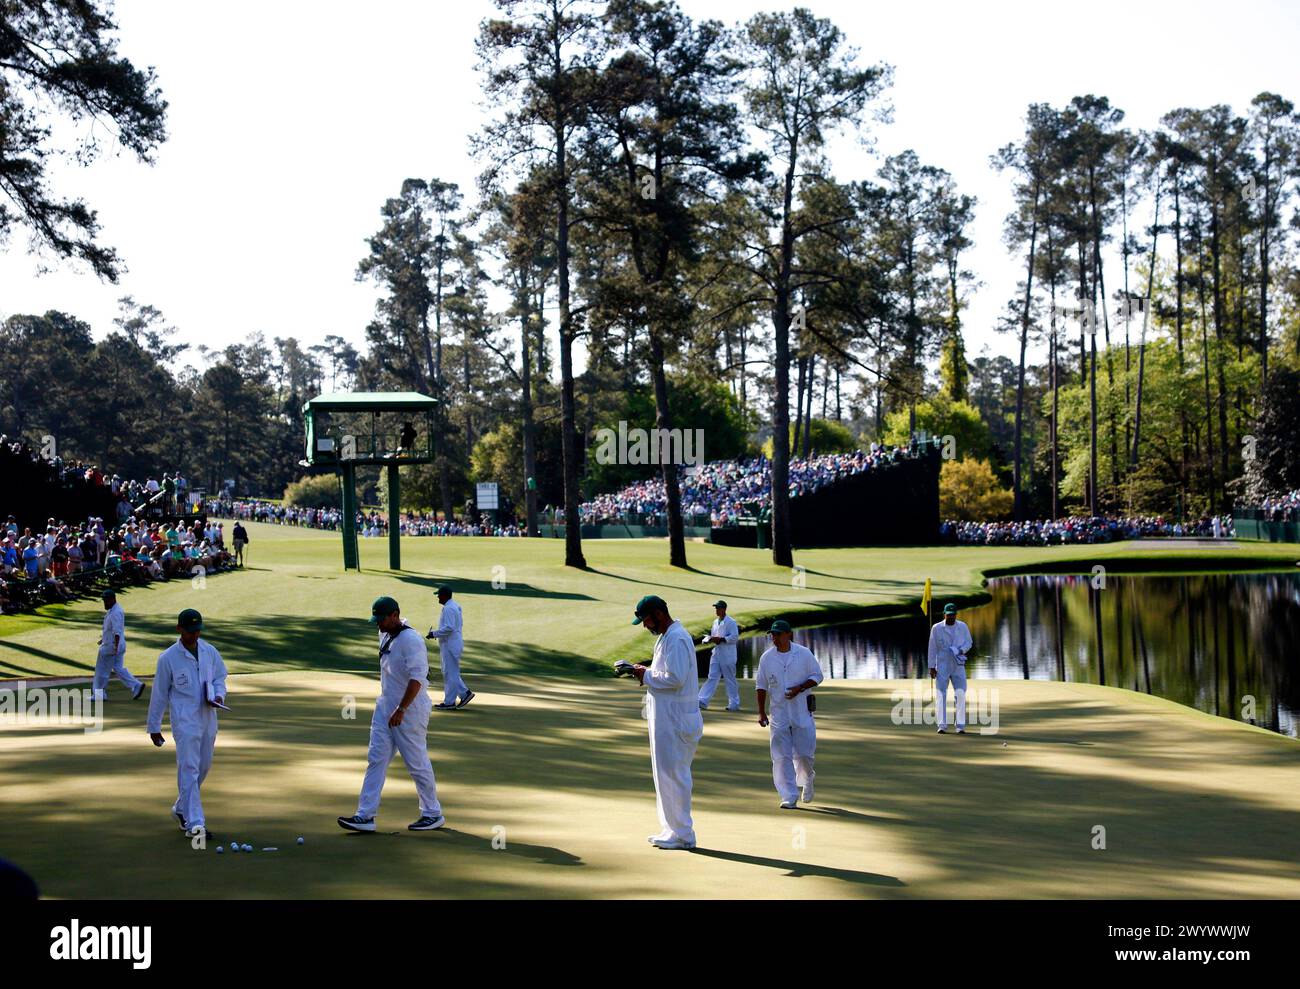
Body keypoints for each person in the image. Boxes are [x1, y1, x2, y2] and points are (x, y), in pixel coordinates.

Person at [338, 596, 444, 832]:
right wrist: (391, 707)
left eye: (382, 620)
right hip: (385, 706)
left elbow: (417, 679)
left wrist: (402, 709)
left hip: (410, 710)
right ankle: (365, 816)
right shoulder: (385, 633)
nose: (379, 625)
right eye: (376, 620)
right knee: (376, 759)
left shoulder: (412, 640)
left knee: (416, 762)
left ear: (395, 615)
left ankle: (432, 813)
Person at [628, 595, 704, 850]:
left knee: (675, 775)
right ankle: (671, 829)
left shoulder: (678, 638)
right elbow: (666, 673)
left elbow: (676, 678)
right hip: (667, 719)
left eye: (646, 619)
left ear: (659, 614)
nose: (645, 625)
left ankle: (684, 834)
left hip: (677, 720)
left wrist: (646, 674)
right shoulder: (667, 637)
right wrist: (644, 671)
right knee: (664, 774)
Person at [146, 609, 228, 838]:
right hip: (184, 721)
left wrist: (219, 696)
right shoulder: (168, 658)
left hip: (209, 716)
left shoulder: (209, 651)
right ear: (179, 629)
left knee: (204, 766)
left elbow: (220, 677)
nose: (195, 635)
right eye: (190, 631)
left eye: (198, 630)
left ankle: (181, 809)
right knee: (189, 769)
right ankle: (195, 824)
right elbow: (159, 694)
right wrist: (154, 727)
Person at [755, 619, 824, 809]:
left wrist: (801, 688)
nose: (774, 638)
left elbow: (817, 676)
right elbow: (761, 686)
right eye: (772, 635)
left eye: (778, 634)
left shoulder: (803, 653)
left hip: (802, 713)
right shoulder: (766, 658)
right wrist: (761, 712)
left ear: (788, 634)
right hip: (779, 715)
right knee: (781, 756)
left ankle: (808, 777)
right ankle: (788, 795)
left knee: (804, 755)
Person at [928, 602, 973, 734]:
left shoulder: (963, 626)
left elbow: (969, 642)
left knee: (960, 694)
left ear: (956, 615)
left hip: (958, 664)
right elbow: (932, 648)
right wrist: (931, 666)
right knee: (941, 694)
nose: (951, 617)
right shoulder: (936, 628)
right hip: (942, 665)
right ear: (944, 614)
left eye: (953, 615)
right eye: (949, 615)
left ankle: (960, 726)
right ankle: (942, 725)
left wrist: (961, 650)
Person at [427, 585, 473, 709]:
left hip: (450, 645)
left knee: (450, 673)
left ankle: (451, 701)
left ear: (445, 596)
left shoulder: (449, 608)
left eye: (439, 595)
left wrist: (433, 634)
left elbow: (449, 628)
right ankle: (463, 694)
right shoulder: (455, 606)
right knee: (450, 673)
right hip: (452, 643)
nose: (438, 598)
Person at [93, 591, 144, 701]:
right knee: (118, 669)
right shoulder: (114, 610)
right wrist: (103, 639)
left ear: (112, 599)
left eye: (106, 600)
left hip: (111, 647)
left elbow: (117, 631)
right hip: (115, 645)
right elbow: (112, 630)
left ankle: (99, 695)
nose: (104, 603)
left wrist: (115, 646)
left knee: (101, 671)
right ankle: (136, 685)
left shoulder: (116, 612)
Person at [698, 599, 741, 712]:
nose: (716, 610)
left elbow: (734, 637)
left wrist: (721, 639)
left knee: (729, 678)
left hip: (728, 655)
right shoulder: (715, 622)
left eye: (718, 608)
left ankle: (734, 703)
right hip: (716, 653)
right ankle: (702, 700)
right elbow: (714, 635)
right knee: (712, 677)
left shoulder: (731, 622)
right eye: (716, 608)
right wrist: (710, 639)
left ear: (724, 609)